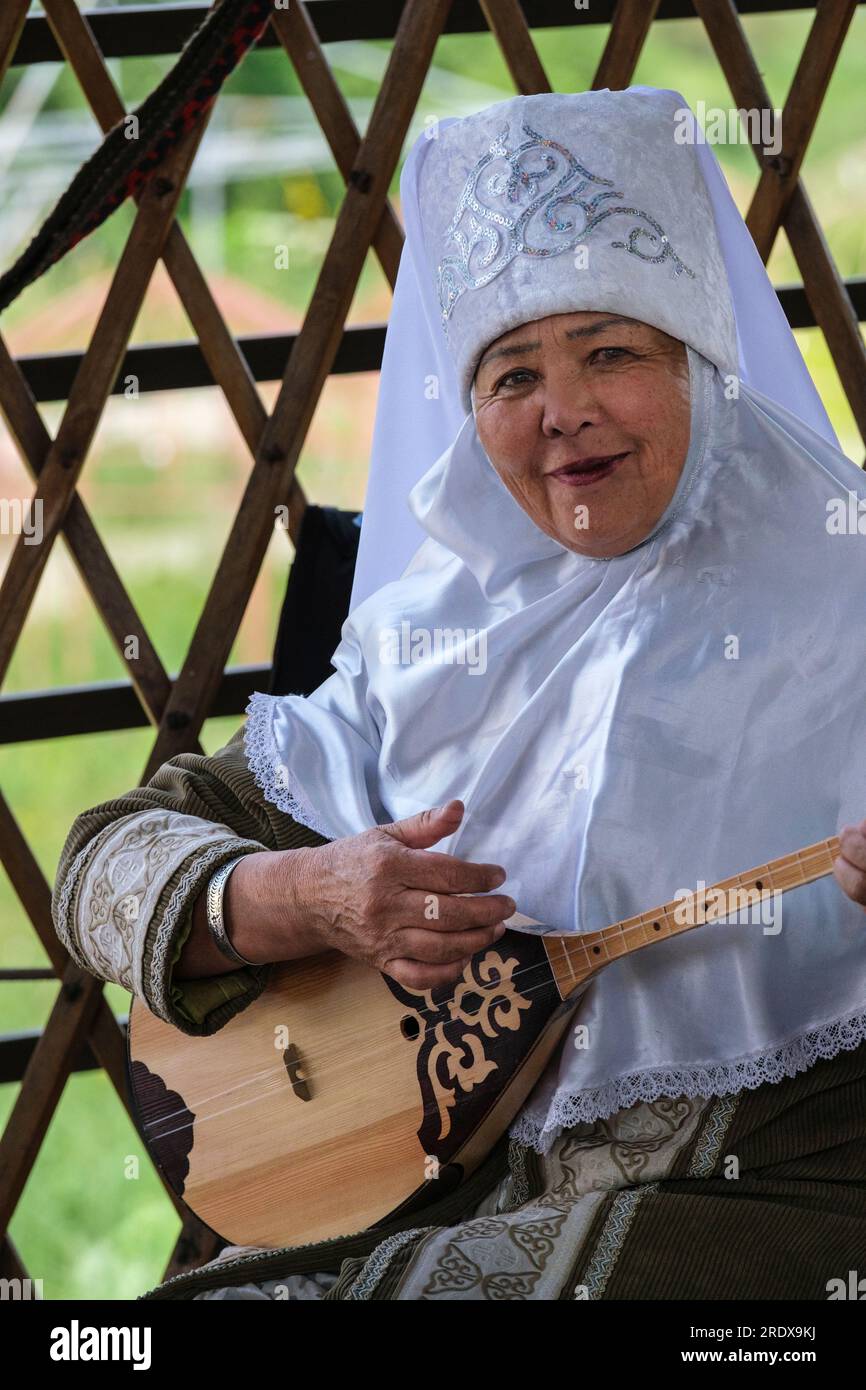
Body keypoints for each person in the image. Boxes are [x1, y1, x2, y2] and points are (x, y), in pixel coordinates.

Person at [52, 87, 866, 1301]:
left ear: (701, 356)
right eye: (508, 374)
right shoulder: (441, 631)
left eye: (610, 349)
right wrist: (309, 893)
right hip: (451, 1178)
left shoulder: (843, 582)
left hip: (790, 1188)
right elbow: (97, 863)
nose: (561, 412)